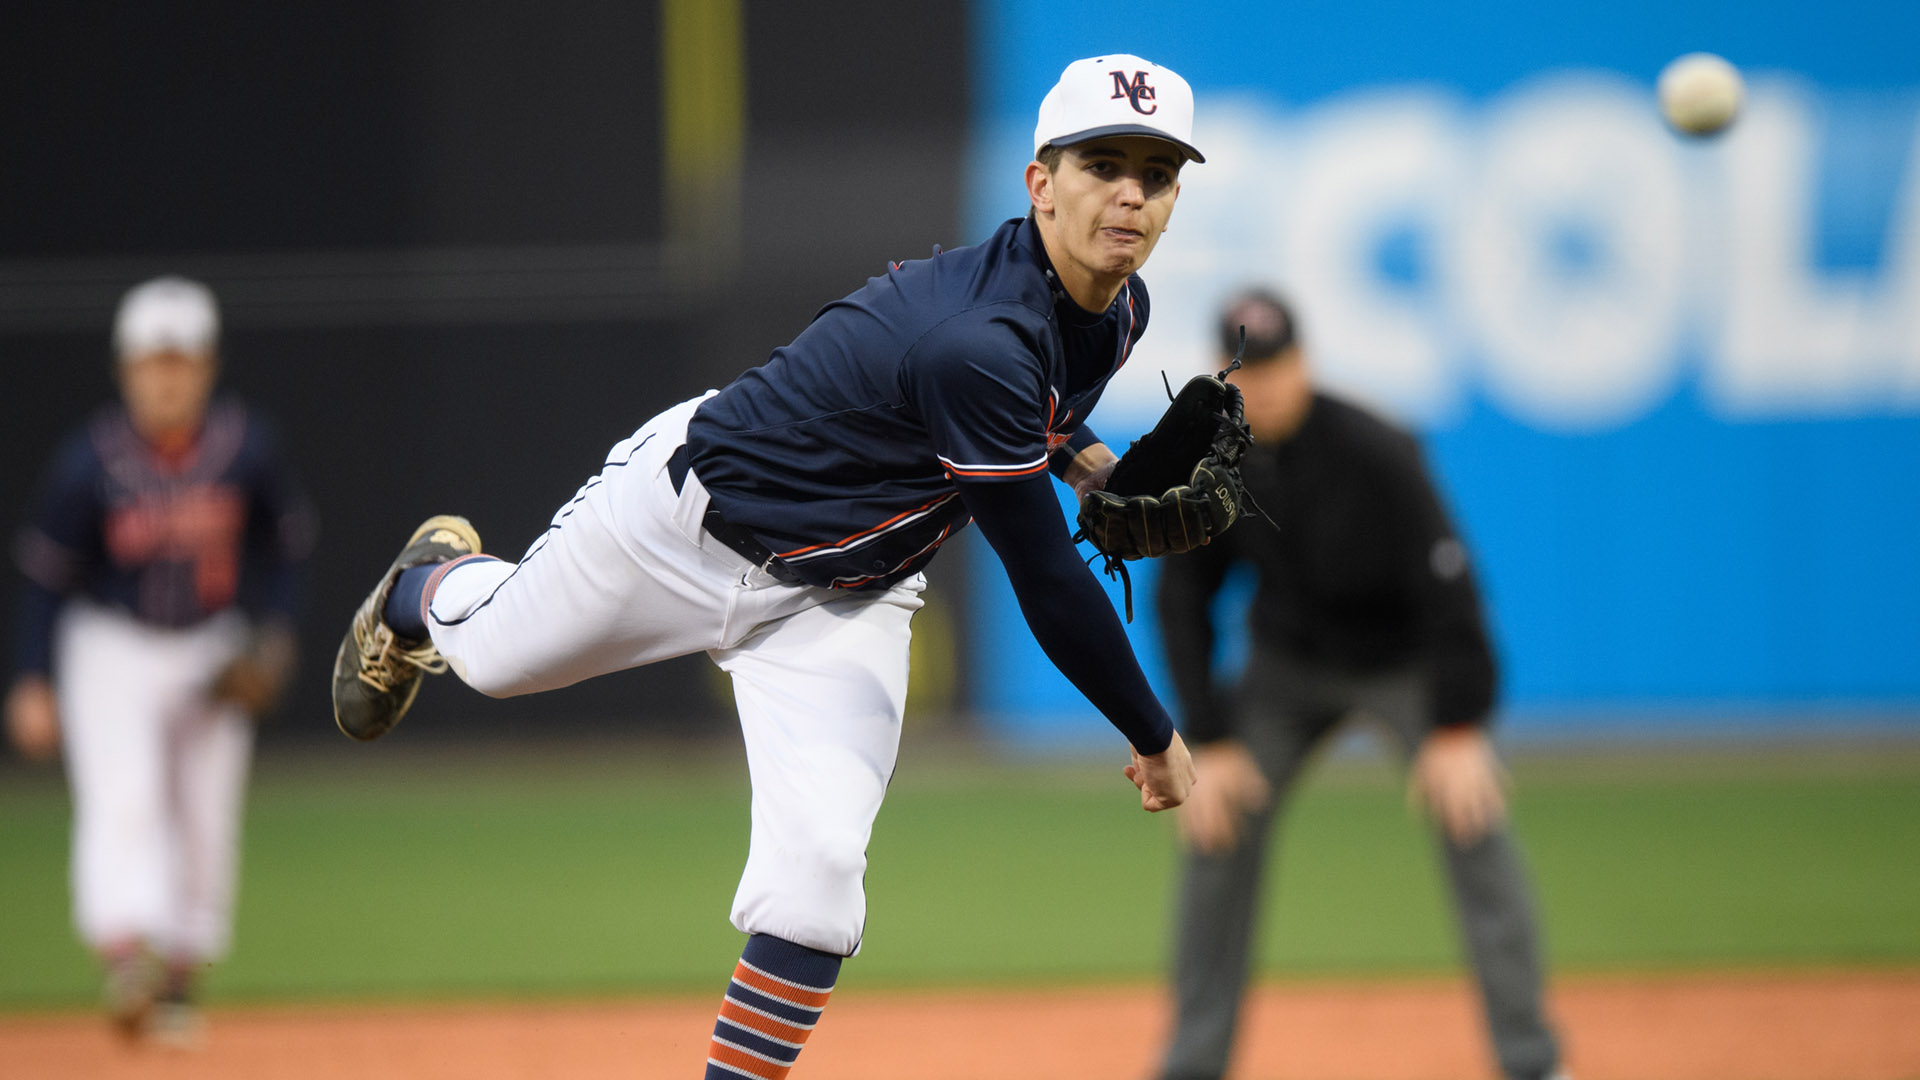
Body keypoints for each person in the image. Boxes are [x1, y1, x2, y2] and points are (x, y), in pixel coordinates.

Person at [331, 54, 1202, 1080]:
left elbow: (1043, 410)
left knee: (820, 881)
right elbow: (1047, 578)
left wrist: (1090, 466)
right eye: (1105, 163)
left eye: (1158, 169)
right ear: (1040, 182)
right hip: (681, 527)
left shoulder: (1117, 307)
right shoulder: (975, 339)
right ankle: (419, 590)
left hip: (846, 597)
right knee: (494, 658)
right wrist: (1154, 733)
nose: (1133, 193)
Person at [1153, 289, 1565, 1080]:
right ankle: (1191, 1066)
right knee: (1216, 823)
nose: (1263, 387)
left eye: (1277, 367)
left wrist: (1458, 727)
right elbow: (1183, 603)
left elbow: (1452, 585)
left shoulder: (1374, 447)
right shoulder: (1209, 459)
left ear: (1304, 364)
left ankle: (1534, 1063)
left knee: (1472, 817)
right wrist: (1209, 738)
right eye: (1247, 372)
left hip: (1403, 663)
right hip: (1286, 669)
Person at [5, 276, 315, 1047]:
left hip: (210, 645)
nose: (168, 376)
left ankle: (179, 980)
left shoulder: (247, 447)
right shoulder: (89, 463)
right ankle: (122, 958)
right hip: (112, 645)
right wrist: (31, 677)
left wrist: (274, 635)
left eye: (181, 361)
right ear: (127, 370)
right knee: (127, 797)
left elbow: (289, 549)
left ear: (208, 367)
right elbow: (45, 580)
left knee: (206, 817)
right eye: (154, 362)